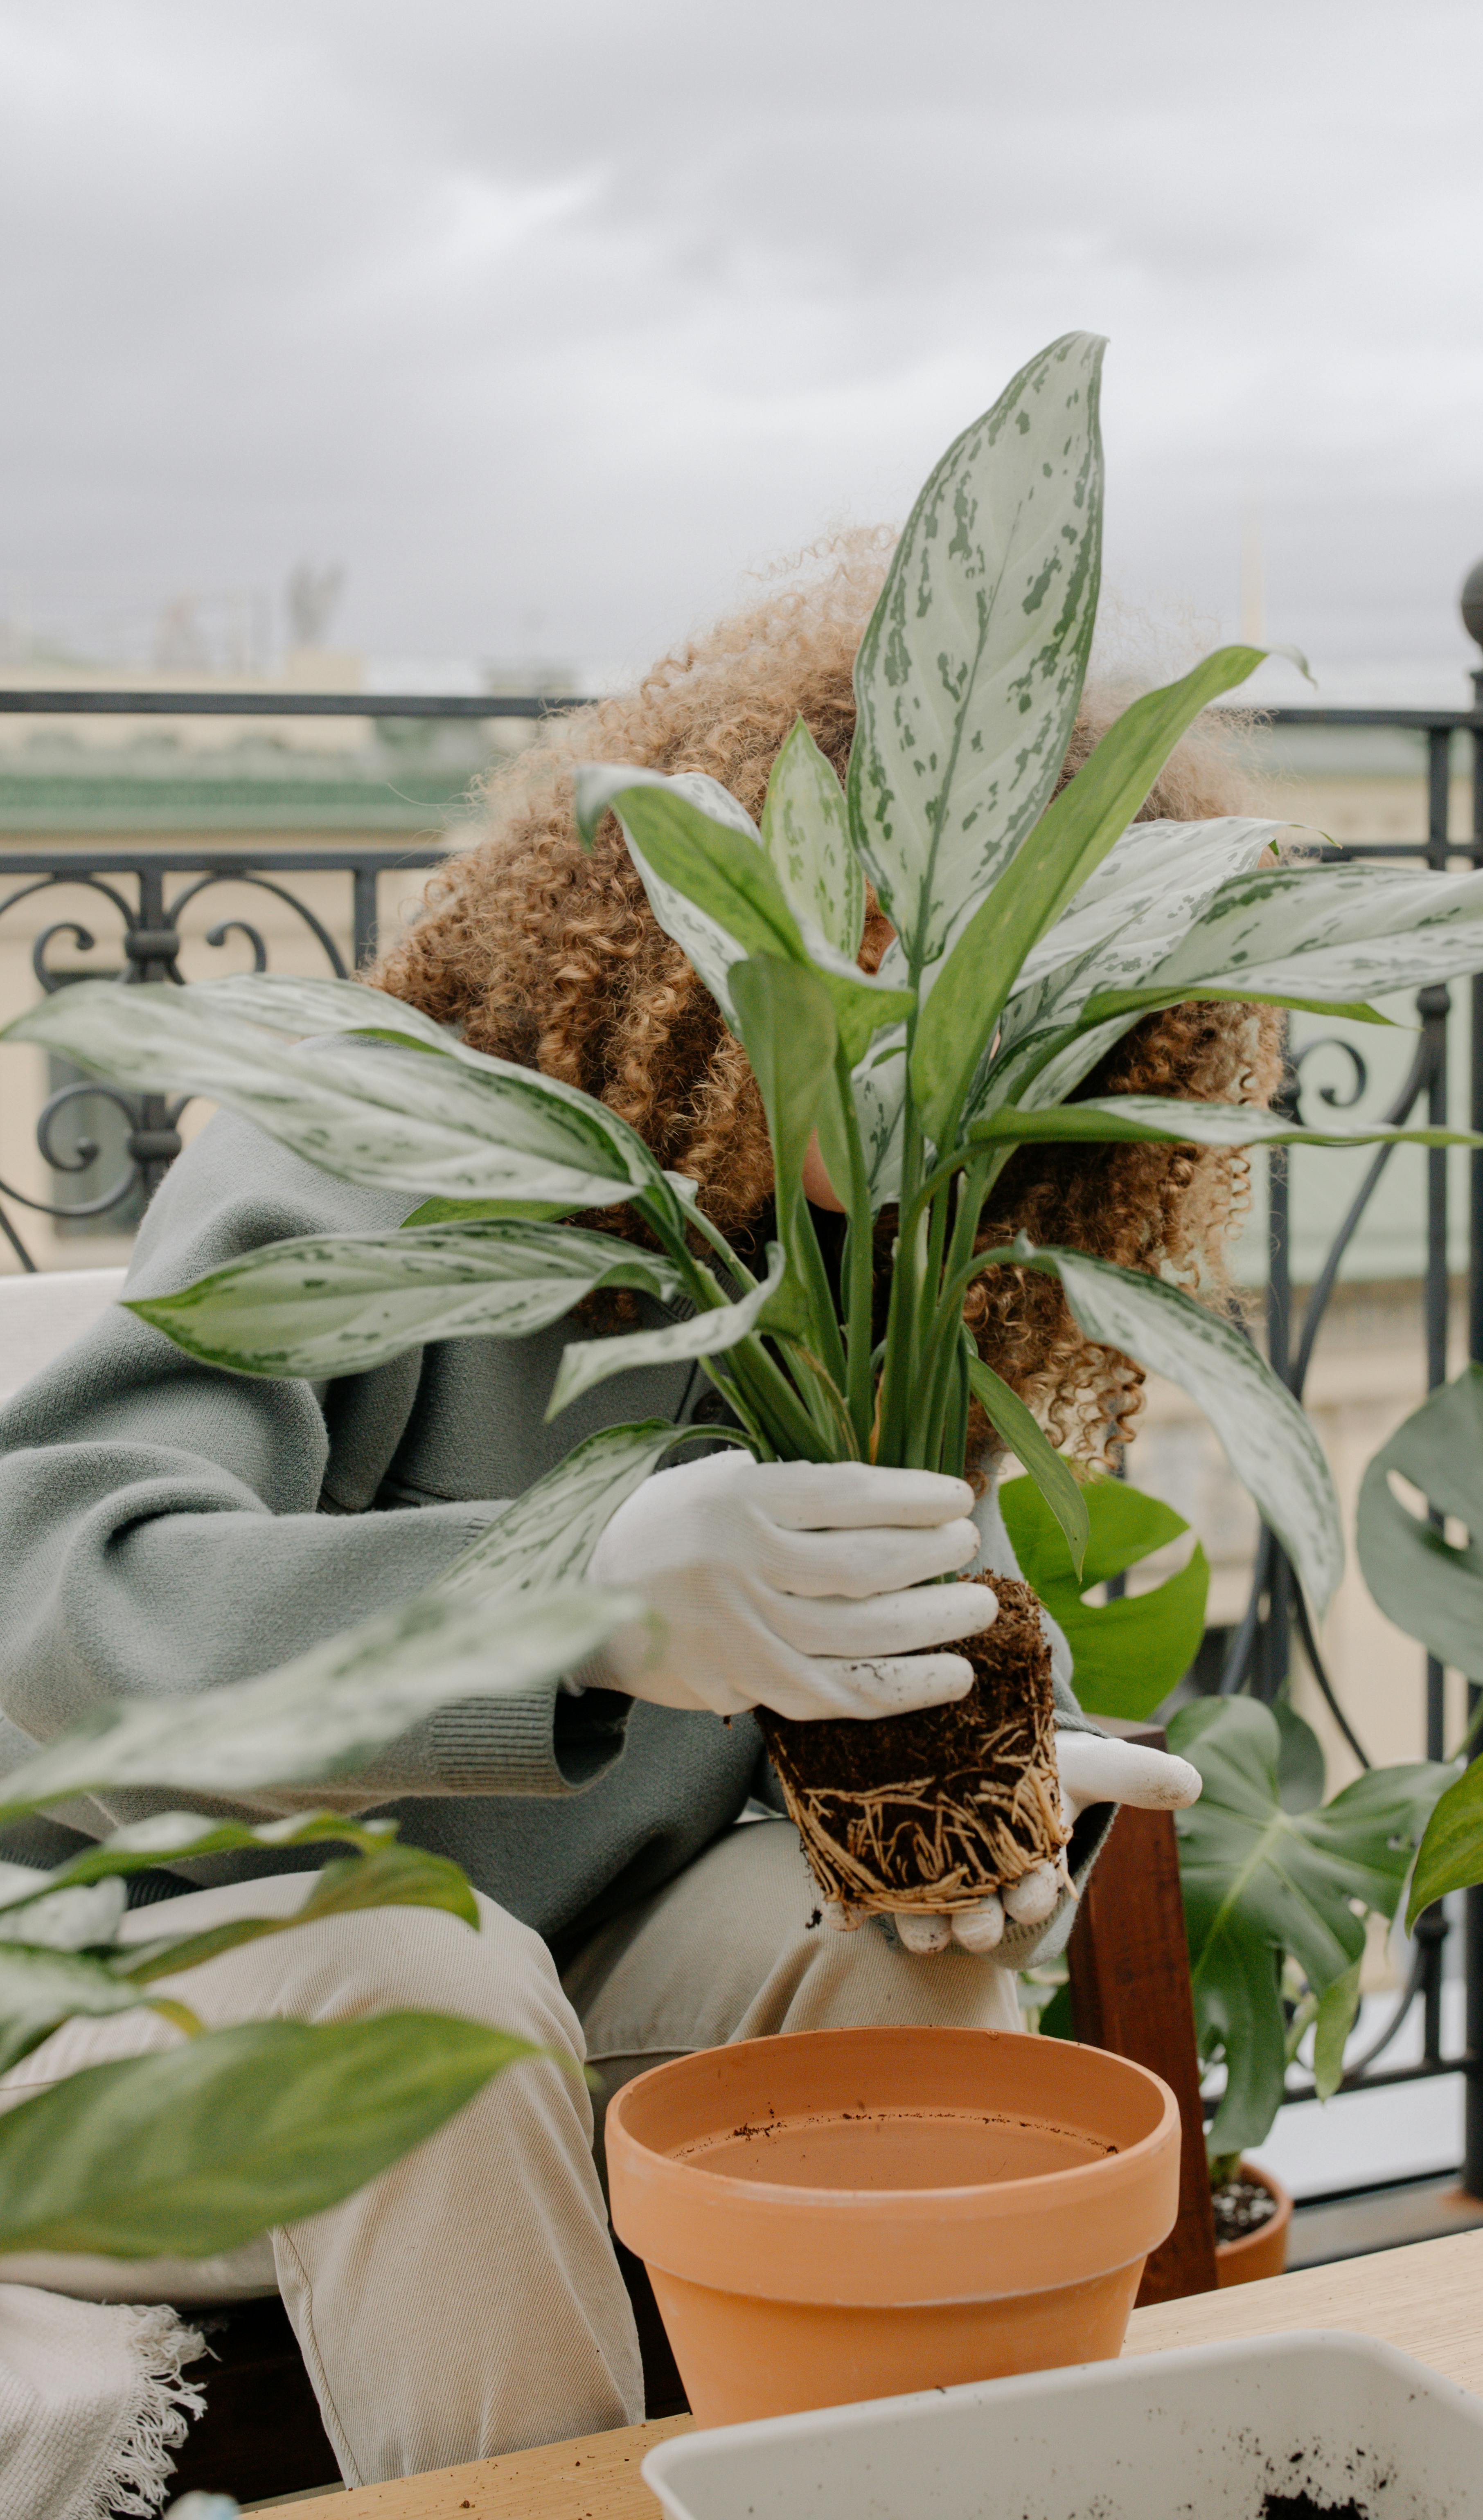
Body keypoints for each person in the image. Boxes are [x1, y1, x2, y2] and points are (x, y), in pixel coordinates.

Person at [0, 544, 1280, 2487]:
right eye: (898, 958)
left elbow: (779, 1753)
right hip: (110, 1992)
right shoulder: (383, 1139)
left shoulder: (868, 1275)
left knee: (901, 1973)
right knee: (428, 2003)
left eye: (1043, 1023)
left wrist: (951, 1784)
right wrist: (562, 1602)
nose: (960, 1057)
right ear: (707, 918)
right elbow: (54, 1600)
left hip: (555, 1967)